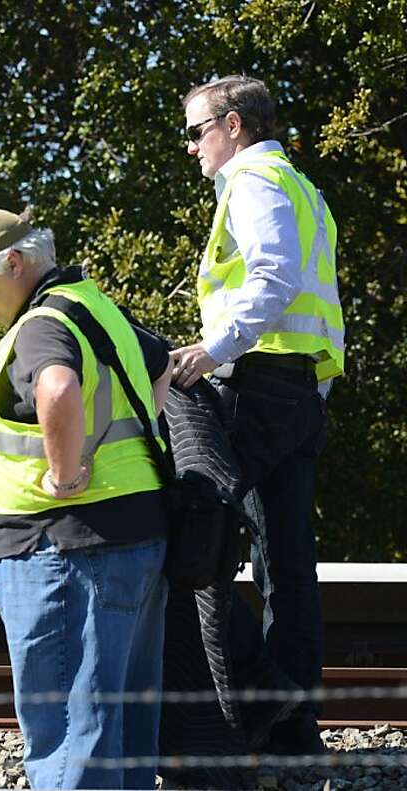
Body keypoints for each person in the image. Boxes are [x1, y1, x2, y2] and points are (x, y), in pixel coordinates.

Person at [0, 209, 173, 789]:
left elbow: (58, 386)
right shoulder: (91, 305)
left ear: (13, 263)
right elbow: (163, 362)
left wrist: (68, 475)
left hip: (62, 546)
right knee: (117, 727)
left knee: (69, 730)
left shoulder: (42, 325)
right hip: (125, 534)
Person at [173, 75, 344, 753]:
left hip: (257, 386)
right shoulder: (305, 190)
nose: (191, 147)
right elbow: (319, 305)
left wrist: (211, 352)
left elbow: (272, 278)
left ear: (234, 125)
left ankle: (253, 697)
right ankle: (292, 726)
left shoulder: (254, 184)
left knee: (195, 539)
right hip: (299, 393)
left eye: (195, 130)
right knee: (286, 561)